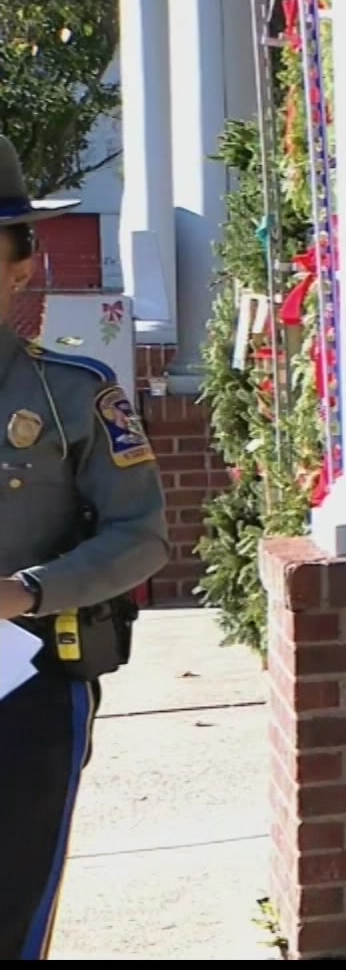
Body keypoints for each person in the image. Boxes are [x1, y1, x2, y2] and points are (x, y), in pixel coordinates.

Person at [0, 133, 170, 960]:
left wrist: (25, 591)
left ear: (21, 264)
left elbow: (141, 536)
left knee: (12, 903)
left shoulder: (73, 396)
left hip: (26, 687)